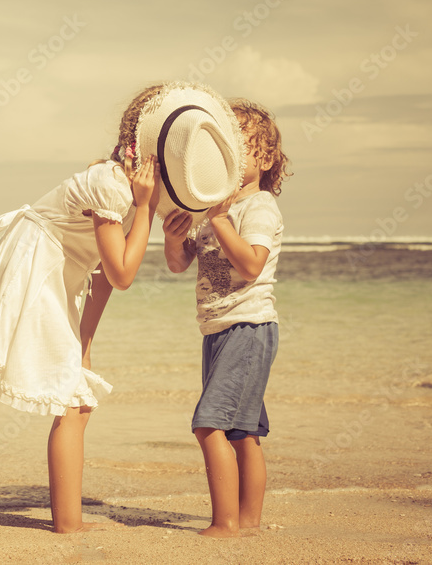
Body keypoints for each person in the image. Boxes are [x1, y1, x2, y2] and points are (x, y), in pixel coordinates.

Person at [0, 82, 243, 533]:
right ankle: (68, 525)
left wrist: (85, 345)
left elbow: (100, 275)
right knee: (70, 402)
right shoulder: (112, 186)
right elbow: (122, 274)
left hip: (66, 270)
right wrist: (145, 210)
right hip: (38, 262)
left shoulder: (130, 195)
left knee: (78, 395)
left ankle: (68, 520)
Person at [161, 97, 292, 537]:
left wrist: (220, 223)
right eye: (224, 146)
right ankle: (248, 522)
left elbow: (251, 265)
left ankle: (225, 523)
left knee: (209, 425)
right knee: (242, 432)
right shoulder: (213, 208)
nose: (231, 155)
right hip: (219, 329)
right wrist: (174, 240)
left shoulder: (258, 206)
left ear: (266, 159)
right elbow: (179, 264)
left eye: (243, 146)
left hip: (249, 326)